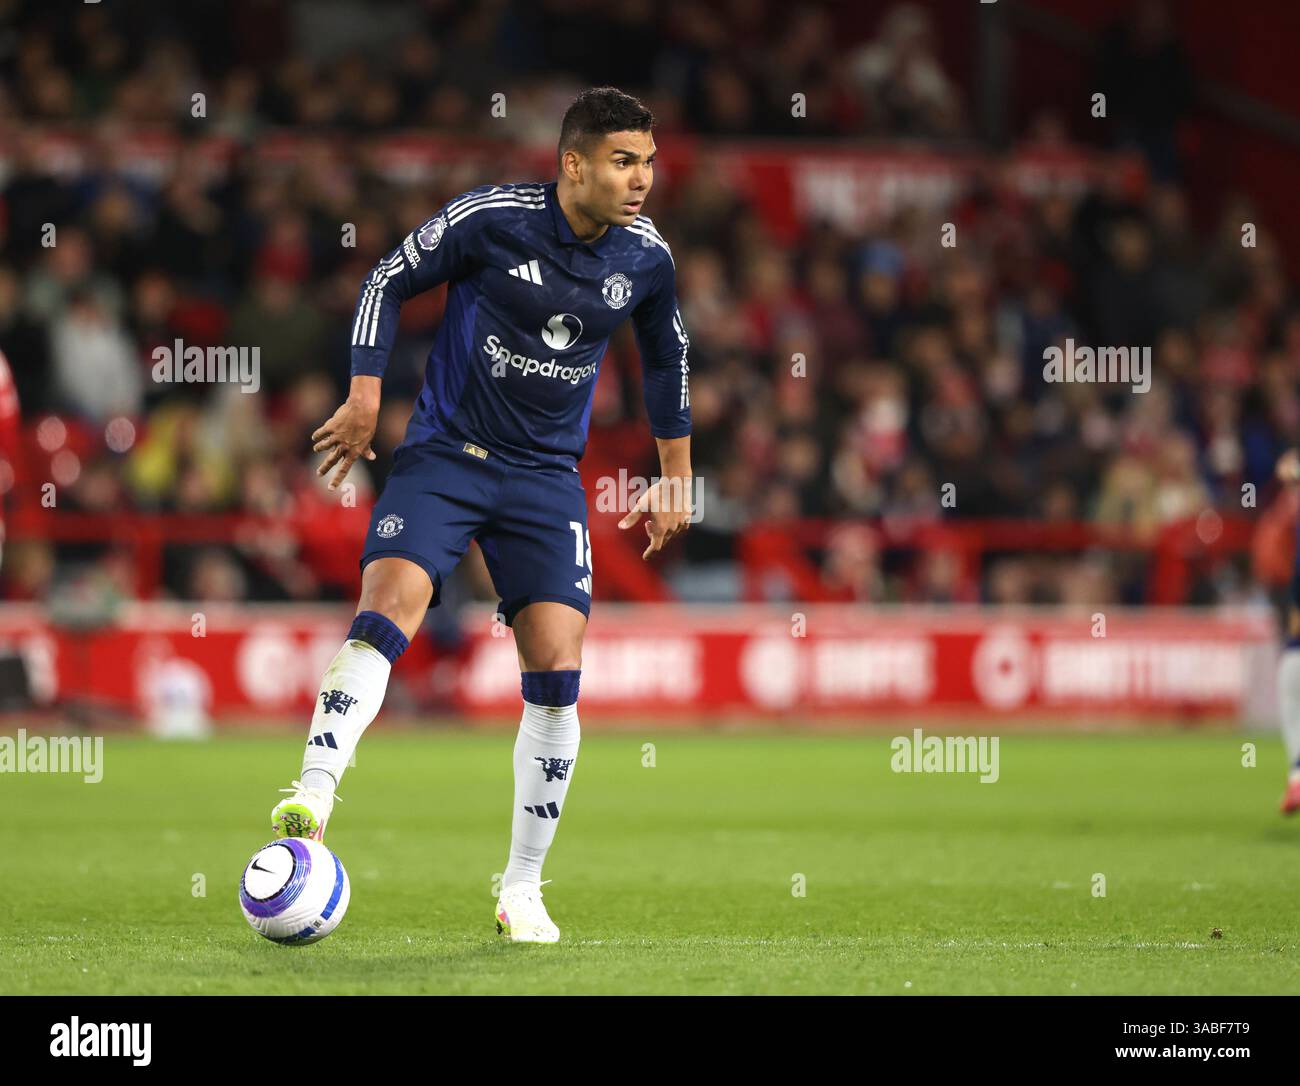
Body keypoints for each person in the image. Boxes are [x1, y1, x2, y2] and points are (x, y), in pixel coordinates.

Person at [268, 87, 694, 942]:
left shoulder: (646, 257)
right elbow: (387, 277)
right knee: (389, 607)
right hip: (447, 456)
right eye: (623, 161)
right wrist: (362, 395)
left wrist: (675, 473)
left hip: (544, 479)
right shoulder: (493, 219)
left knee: (557, 666)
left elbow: (667, 354)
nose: (642, 178)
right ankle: (313, 793)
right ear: (572, 164)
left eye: (647, 161)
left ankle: (523, 887)